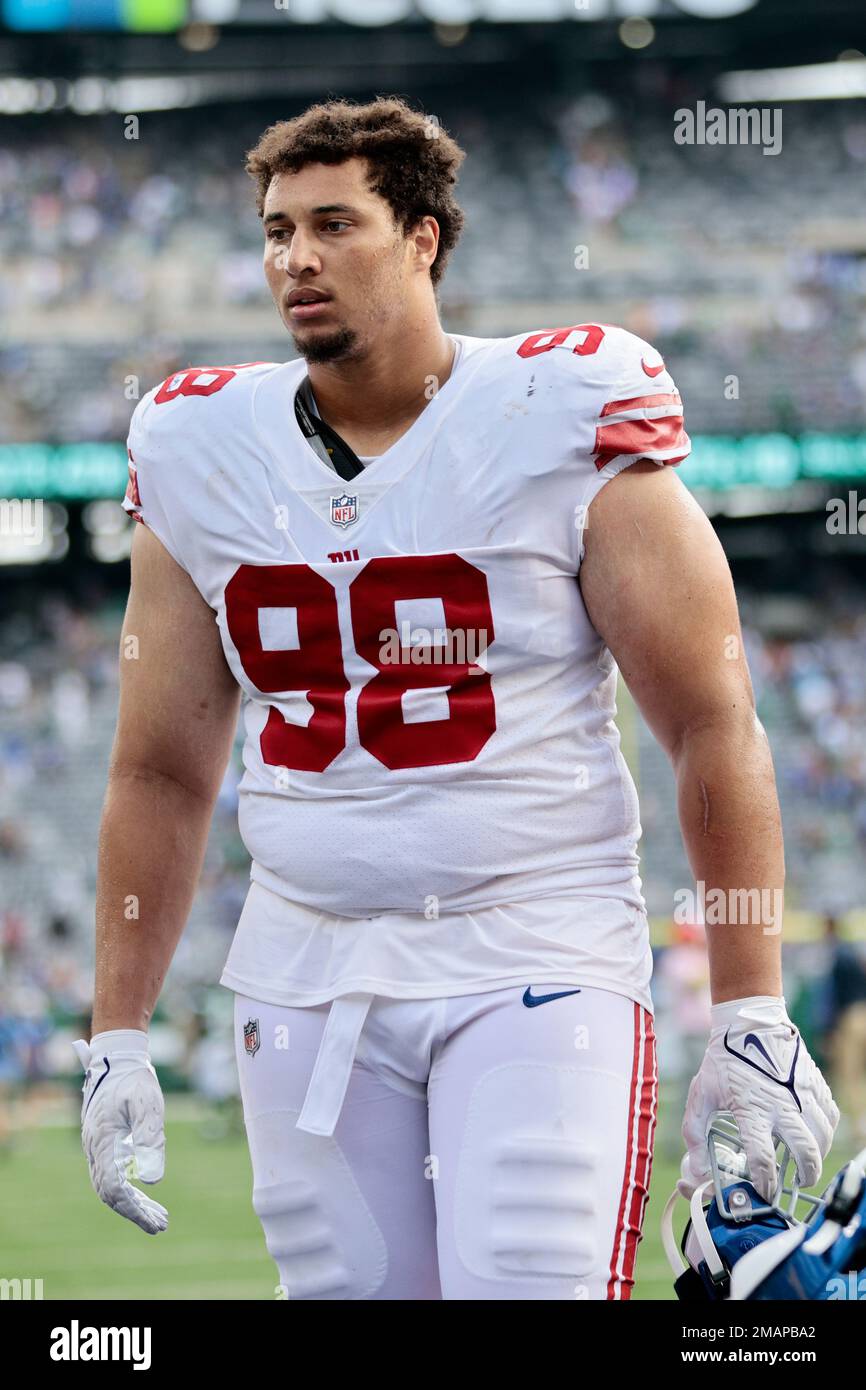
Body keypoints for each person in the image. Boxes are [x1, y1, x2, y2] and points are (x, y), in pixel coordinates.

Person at [75, 97, 837, 1301]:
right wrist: (115, 1026)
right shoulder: (194, 440)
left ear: (423, 236)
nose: (295, 258)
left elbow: (708, 718)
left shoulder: (564, 404)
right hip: (303, 967)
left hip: (533, 947)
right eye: (277, 230)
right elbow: (158, 769)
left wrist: (750, 1006)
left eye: (335, 223)